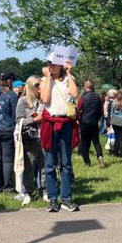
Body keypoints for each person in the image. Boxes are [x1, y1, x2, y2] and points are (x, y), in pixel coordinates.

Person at [40, 56, 80, 212]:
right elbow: (45, 99)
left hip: (66, 123)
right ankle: (52, 198)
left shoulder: (69, 79)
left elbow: (75, 94)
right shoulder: (45, 81)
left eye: (53, 64)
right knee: (49, 164)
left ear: (60, 66)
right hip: (50, 123)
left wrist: (69, 74)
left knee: (66, 163)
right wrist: (49, 80)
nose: (50, 66)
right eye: (48, 64)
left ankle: (66, 198)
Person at [16, 76, 44, 204]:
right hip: (30, 138)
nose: (40, 87)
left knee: (45, 166)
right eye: (37, 85)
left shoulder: (44, 100)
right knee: (30, 166)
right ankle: (28, 192)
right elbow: (19, 120)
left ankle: (45, 191)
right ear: (31, 86)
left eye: (40, 85)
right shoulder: (23, 101)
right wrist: (34, 120)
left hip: (44, 137)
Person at [77, 79, 105, 168]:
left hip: (84, 122)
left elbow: (77, 110)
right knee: (96, 142)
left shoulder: (82, 98)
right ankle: (100, 158)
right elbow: (101, 111)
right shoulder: (98, 97)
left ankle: (87, 161)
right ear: (92, 87)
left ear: (85, 87)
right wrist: (97, 118)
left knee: (85, 142)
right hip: (94, 122)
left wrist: (78, 119)